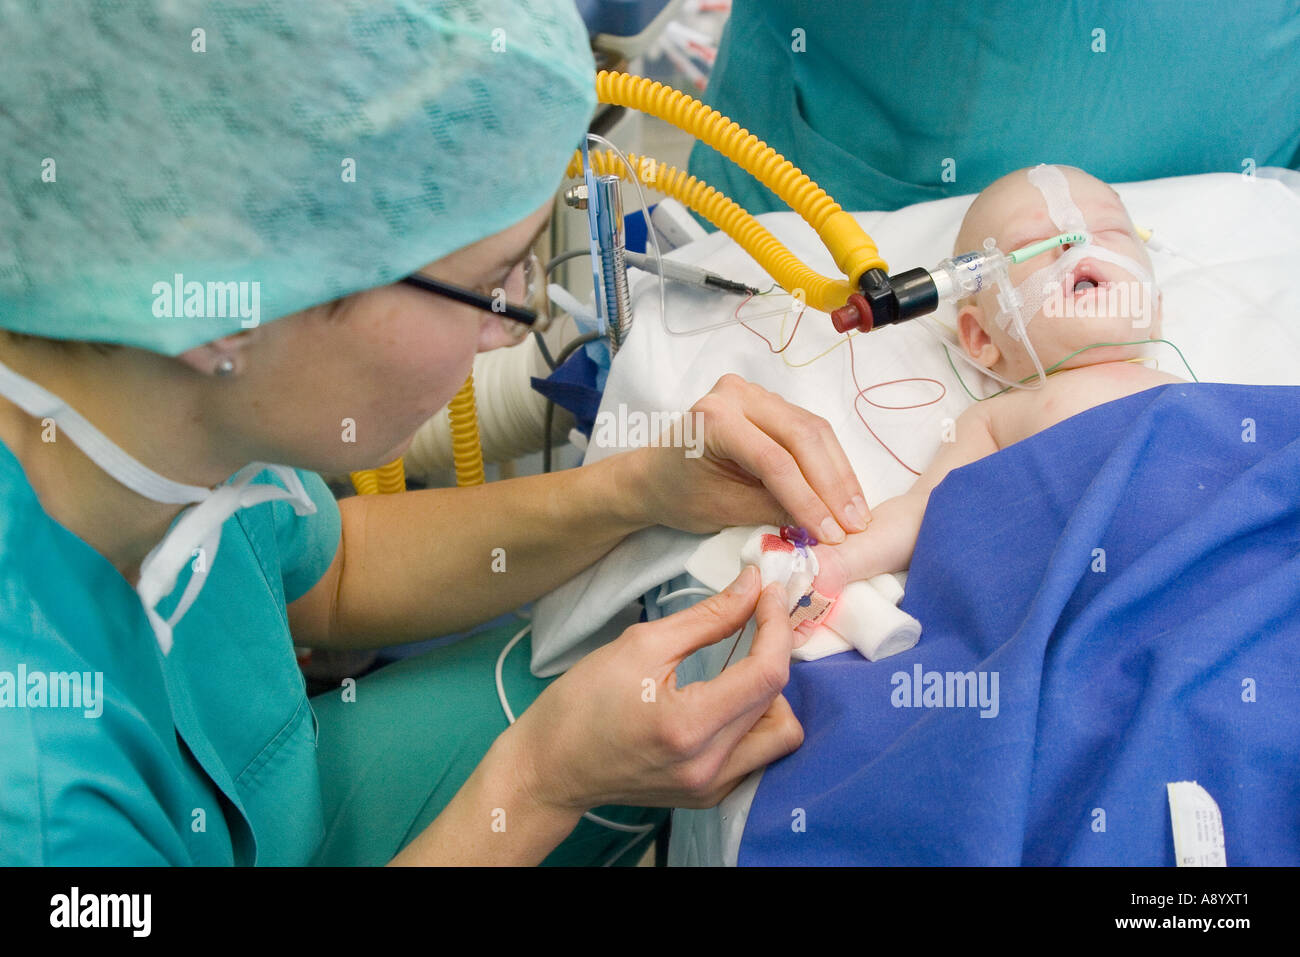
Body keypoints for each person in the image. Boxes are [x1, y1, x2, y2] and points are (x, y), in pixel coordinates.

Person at [0, 0, 872, 866]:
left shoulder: (170, 406)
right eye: (494, 282)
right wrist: (538, 784)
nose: (517, 323)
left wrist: (640, 487)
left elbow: (333, 572)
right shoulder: (41, 796)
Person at [789, 165, 1185, 608]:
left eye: (1110, 230)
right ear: (981, 338)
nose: (1076, 240)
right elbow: (924, 514)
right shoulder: (996, 419)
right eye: (1029, 244)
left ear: (1155, 306)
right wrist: (835, 564)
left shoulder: (1201, 393)